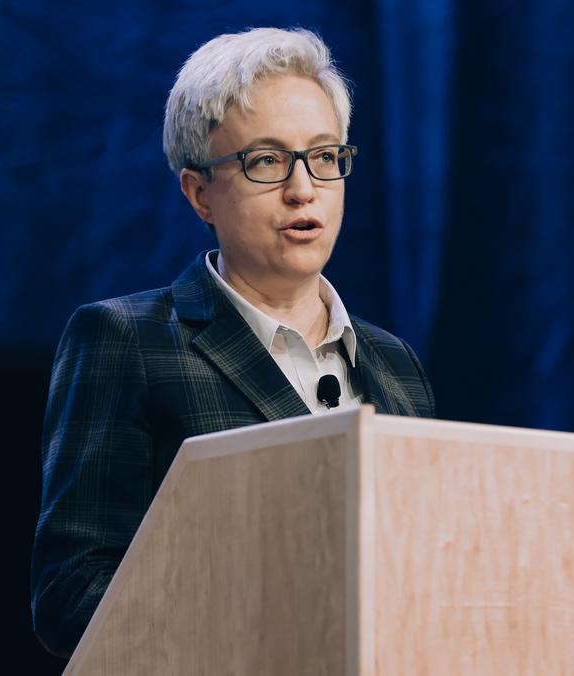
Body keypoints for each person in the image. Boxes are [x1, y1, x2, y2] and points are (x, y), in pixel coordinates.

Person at [30, 27, 435, 657]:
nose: (304, 189)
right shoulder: (125, 341)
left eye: (325, 156)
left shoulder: (396, 365)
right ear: (199, 194)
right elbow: (70, 594)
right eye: (267, 161)